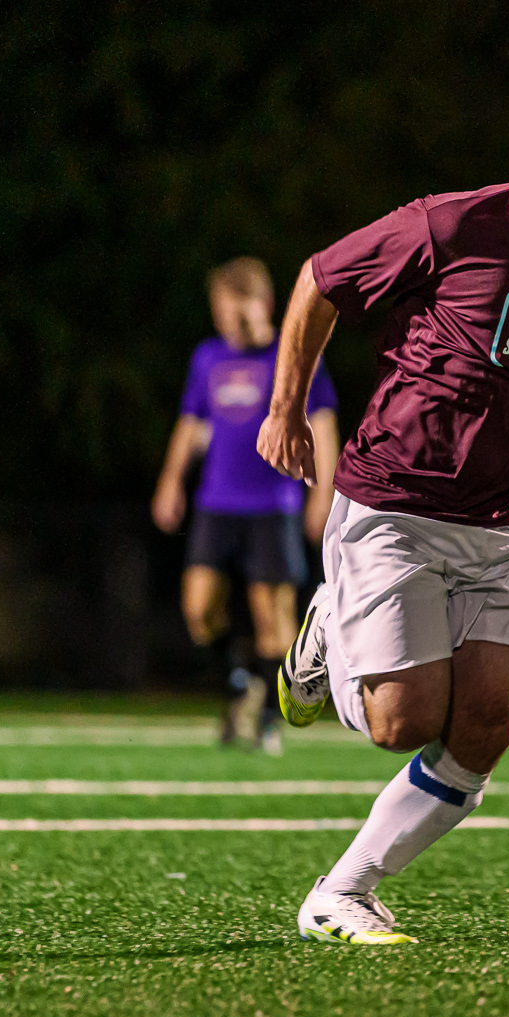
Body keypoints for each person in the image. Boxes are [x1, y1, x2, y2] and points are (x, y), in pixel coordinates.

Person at [257, 43, 509, 944]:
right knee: (402, 722)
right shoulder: (452, 226)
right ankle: (330, 623)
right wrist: (285, 406)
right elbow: (321, 281)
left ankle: (344, 890)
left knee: (486, 721)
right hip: (395, 500)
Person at [153, 256, 339, 753]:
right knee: (199, 609)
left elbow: (322, 425)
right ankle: (240, 683)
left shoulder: (295, 355)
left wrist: (322, 494)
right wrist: (171, 481)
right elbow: (192, 424)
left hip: (273, 505)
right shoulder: (208, 358)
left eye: (231, 308)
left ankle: (267, 720)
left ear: (262, 304)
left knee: (272, 621)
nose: (223, 319)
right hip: (216, 504)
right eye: (218, 310)